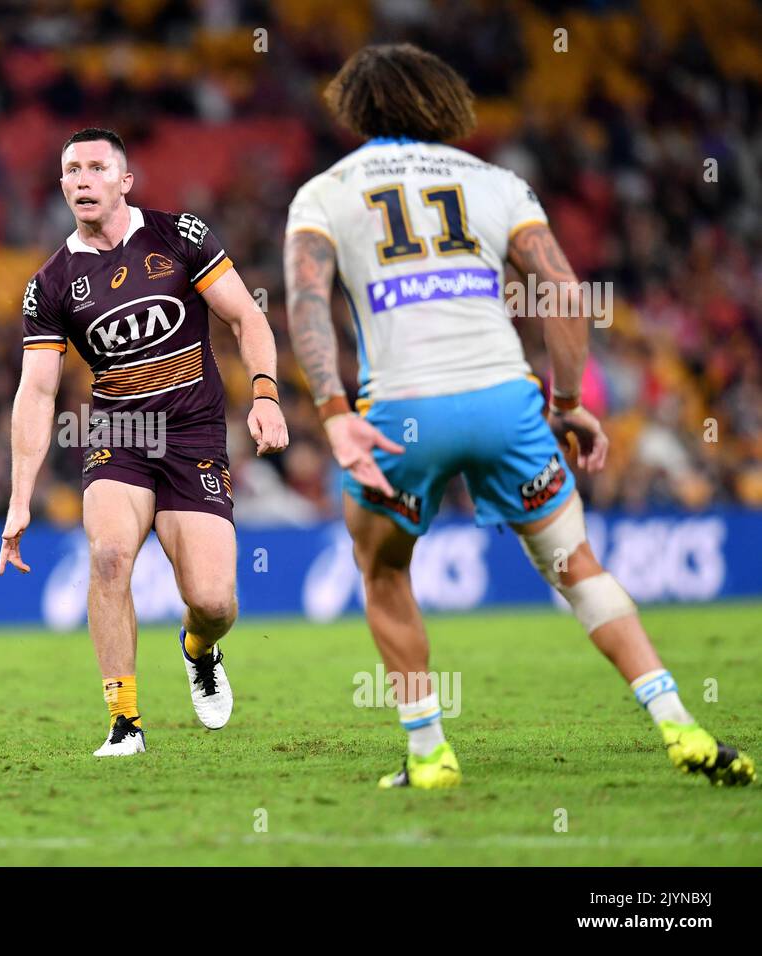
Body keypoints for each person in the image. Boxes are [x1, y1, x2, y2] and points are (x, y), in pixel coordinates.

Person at [284, 44, 753, 789]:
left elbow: (307, 303)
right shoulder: (497, 182)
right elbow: (564, 295)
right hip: (507, 401)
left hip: (402, 414)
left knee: (383, 571)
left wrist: (335, 411)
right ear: (440, 102)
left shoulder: (324, 193)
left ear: (355, 108)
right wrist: (567, 404)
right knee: (577, 567)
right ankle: (680, 725)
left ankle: (431, 755)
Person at [0, 129, 288, 756]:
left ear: (124, 181)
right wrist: (20, 498)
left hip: (194, 434)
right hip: (118, 435)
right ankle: (124, 722)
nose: (82, 179)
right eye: (70, 169)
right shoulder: (49, 284)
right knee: (107, 559)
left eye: (97, 167)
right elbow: (37, 393)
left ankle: (198, 648)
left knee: (213, 601)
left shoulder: (179, 236)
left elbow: (247, 317)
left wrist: (264, 393)